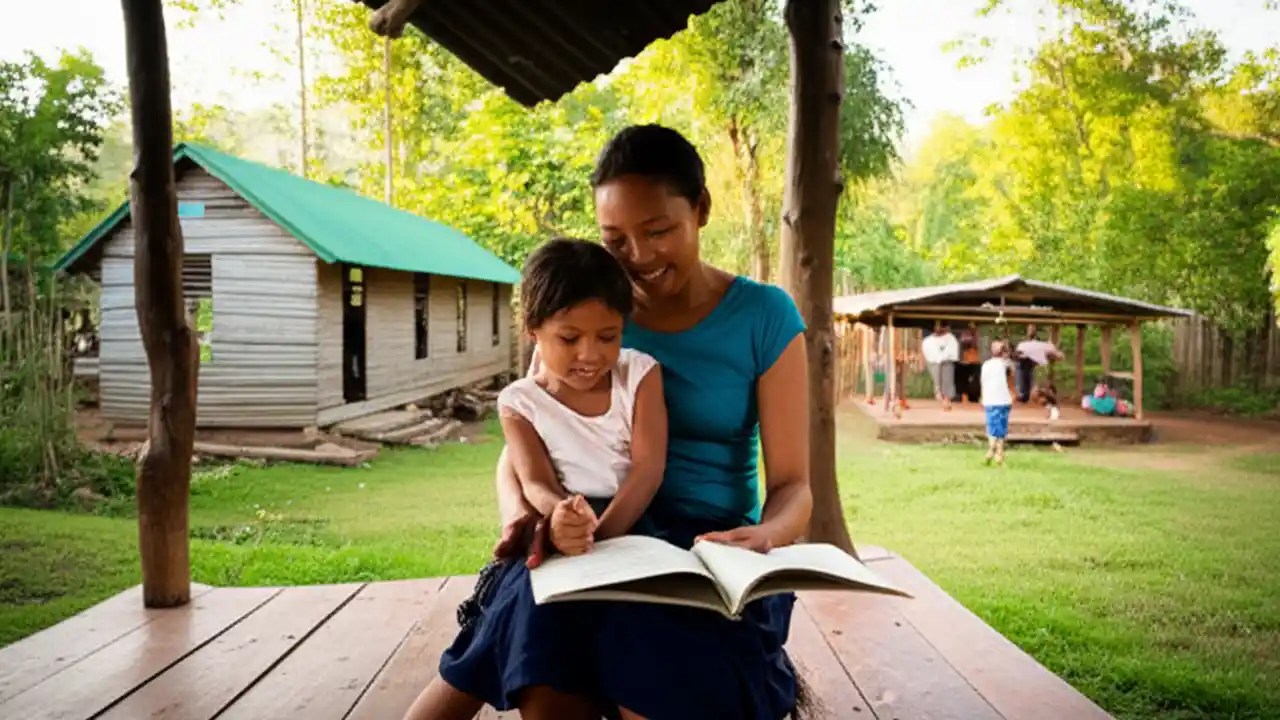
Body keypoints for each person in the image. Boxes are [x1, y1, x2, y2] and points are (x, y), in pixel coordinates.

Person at [413, 124, 814, 720]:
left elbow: (794, 487)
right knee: (541, 655)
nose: (640, 257)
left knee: (657, 664)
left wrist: (769, 535)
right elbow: (527, 437)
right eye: (616, 239)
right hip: (586, 530)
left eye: (658, 232)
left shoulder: (764, 316)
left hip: (708, 546)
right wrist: (526, 516)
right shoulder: (581, 312)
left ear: (701, 209)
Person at [404, 238, 669, 720]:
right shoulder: (519, 401)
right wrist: (561, 518)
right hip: (555, 529)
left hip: (630, 523)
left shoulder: (640, 375)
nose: (591, 354)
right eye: (570, 339)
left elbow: (648, 468)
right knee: (527, 604)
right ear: (533, 331)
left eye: (608, 336)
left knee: (629, 631)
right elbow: (536, 482)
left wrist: (598, 538)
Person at [980, 339, 1015, 466]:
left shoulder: (986, 365)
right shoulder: (1007, 365)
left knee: (992, 426)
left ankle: (993, 450)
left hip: (990, 399)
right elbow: (1011, 380)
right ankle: (997, 451)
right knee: (1001, 427)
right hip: (1003, 399)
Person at [1013, 326, 1064, 403]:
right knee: (1028, 381)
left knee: (1037, 384)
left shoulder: (1045, 346)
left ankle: (1043, 398)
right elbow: (1018, 355)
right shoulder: (1024, 344)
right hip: (1029, 364)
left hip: (1036, 365)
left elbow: (1059, 355)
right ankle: (1027, 396)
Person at [921, 321, 960, 410]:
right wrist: (937, 358)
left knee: (947, 381)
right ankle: (941, 396)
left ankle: (946, 400)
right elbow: (928, 352)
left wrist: (945, 357)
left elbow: (953, 350)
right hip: (934, 362)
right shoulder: (928, 340)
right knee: (937, 381)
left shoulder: (950, 338)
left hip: (947, 362)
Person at [955, 321, 984, 404]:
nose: (972, 329)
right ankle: (963, 397)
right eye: (971, 327)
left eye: (974, 327)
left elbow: (977, 346)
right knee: (963, 380)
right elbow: (964, 345)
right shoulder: (964, 334)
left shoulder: (978, 335)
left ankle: (974, 398)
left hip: (976, 361)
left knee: (975, 381)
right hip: (965, 361)